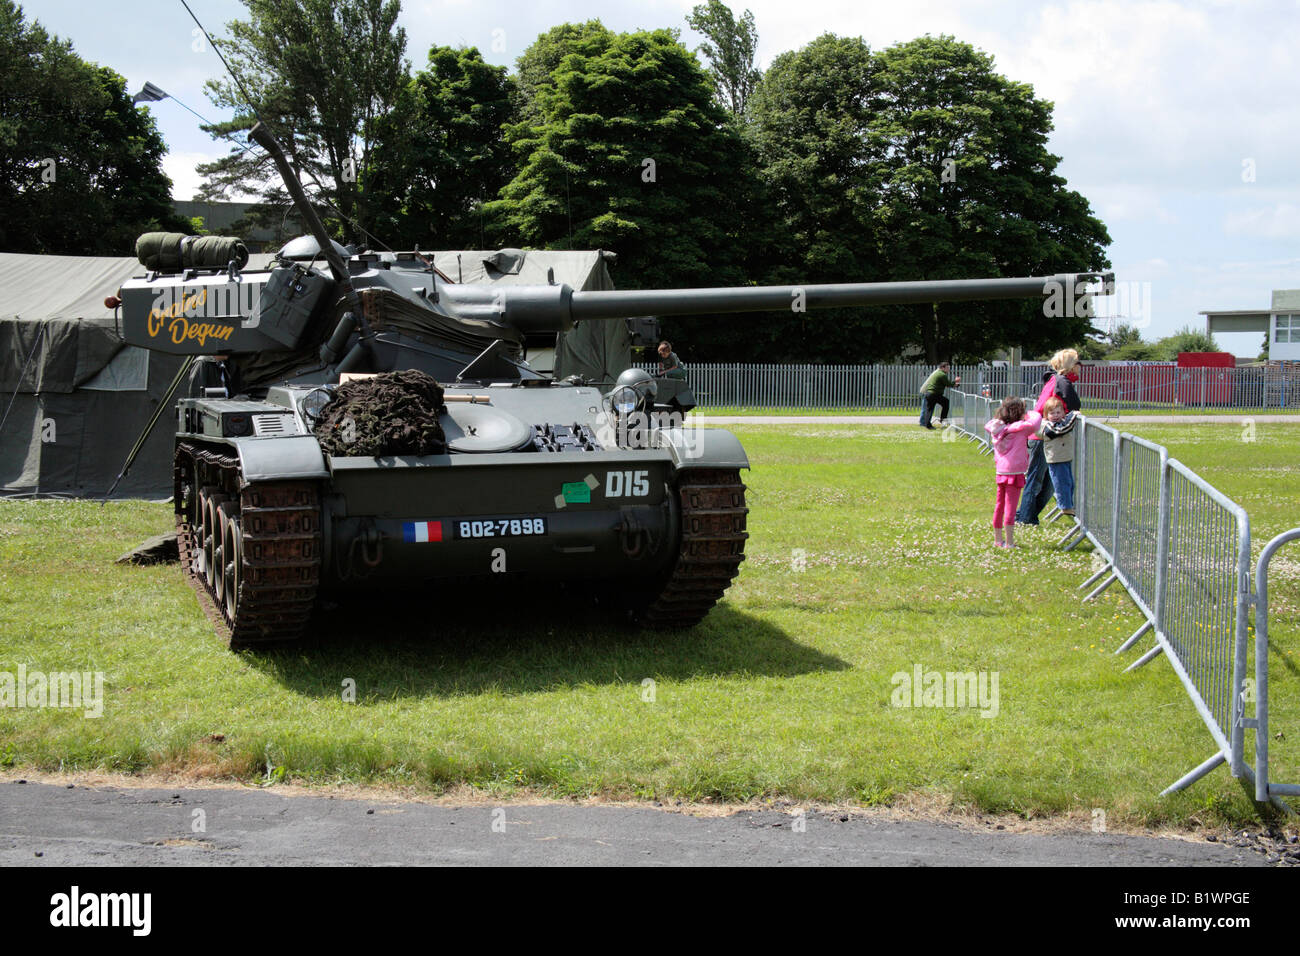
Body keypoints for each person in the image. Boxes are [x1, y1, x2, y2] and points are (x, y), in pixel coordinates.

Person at [1015, 349, 1082, 525]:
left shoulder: (1056, 380)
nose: (1080, 366)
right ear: (1070, 365)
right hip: (1042, 437)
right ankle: (1025, 518)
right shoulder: (1061, 382)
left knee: (1047, 485)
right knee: (1036, 481)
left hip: (1043, 436)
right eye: (1077, 362)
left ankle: (1026, 515)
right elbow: (1074, 406)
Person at [985, 396, 1042, 548]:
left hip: (1001, 471)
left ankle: (998, 540)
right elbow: (1036, 420)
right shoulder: (1021, 429)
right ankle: (1009, 542)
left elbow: (991, 423)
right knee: (1010, 508)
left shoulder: (997, 428)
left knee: (999, 506)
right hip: (1015, 472)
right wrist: (1028, 412)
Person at [1038, 397, 1078, 516]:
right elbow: (1062, 429)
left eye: (1058, 412)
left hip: (1065, 457)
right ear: (1046, 415)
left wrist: (1070, 415)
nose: (1055, 415)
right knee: (1061, 483)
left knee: (1069, 482)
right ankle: (1065, 506)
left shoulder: (1061, 421)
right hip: (1056, 459)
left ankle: (1068, 504)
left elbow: (1065, 422)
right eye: (1052, 413)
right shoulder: (1048, 427)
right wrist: (1074, 416)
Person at [918, 361, 960, 429]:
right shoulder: (942, 375)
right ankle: (941, 420)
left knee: (930, 409)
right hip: (934, 394)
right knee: (945, 403)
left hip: (930, 394)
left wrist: (954, 384)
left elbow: (947, 384)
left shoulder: (937, 373)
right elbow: (948, 384)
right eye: (947, 368)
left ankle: (928, 424)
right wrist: (955, 381)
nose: (948, 369)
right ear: (942, 368)